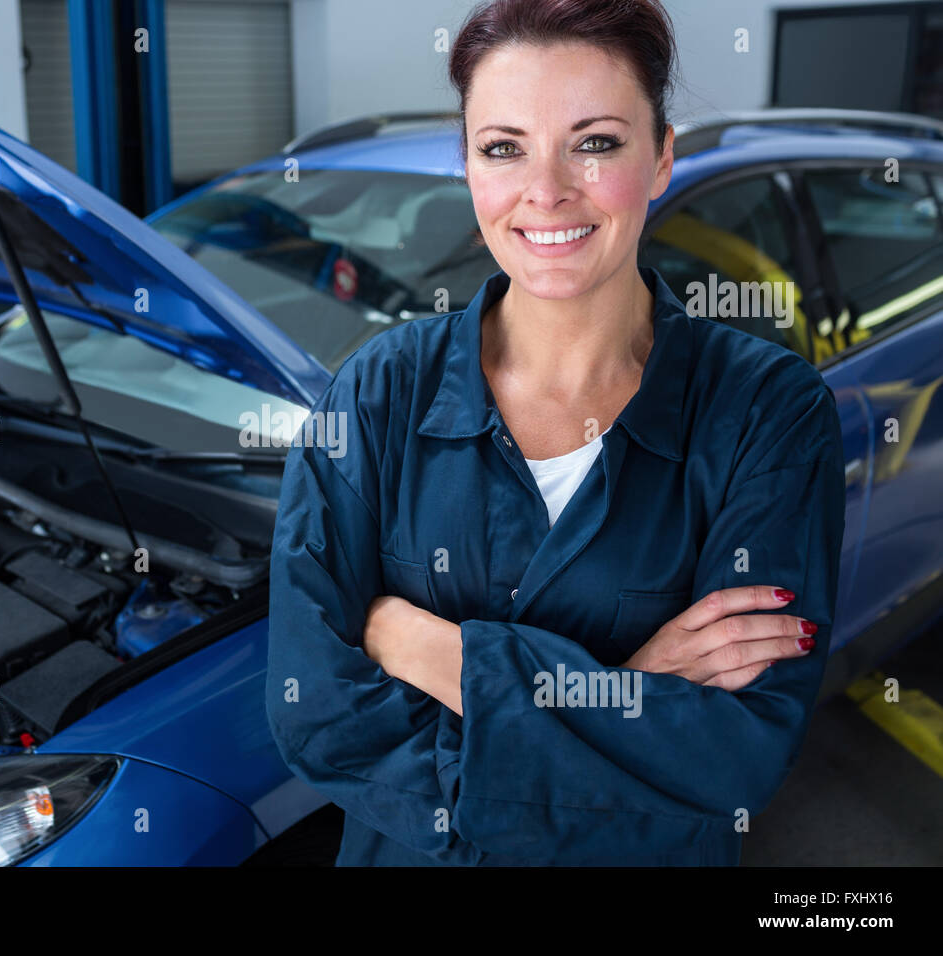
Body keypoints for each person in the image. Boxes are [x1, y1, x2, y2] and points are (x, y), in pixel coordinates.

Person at [265, 0, 845, 866]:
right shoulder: (381, 390)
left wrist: (424, 644)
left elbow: (734, 756)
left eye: (596, 142)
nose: (546, 191)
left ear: (661, 158)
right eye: (505, 147)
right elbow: (314, 710)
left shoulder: (769, 413)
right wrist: (627, 693)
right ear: (467, 166)